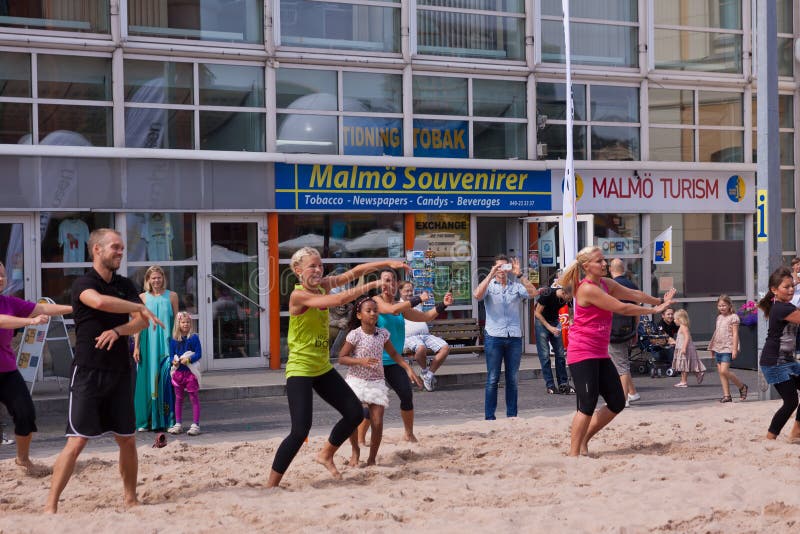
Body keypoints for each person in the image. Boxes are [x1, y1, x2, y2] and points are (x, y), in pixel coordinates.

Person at [45, 229, 164, 513]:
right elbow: (98, 302)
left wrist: (118, 329)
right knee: (77, 442)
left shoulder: (123, 283)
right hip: (88, 372)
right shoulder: (82, 283)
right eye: (115, 247)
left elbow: (141, 323)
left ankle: (130, 498)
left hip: (121, 372)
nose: (121, 252)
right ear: (97, 250)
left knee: (127, 439)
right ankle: (50, 506)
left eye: (122, 248)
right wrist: (138, 306)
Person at [266, 248, 406, 488]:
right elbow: (340, 300)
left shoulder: (324, 284)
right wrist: (372, 285)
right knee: (300, 431)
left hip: (321, 367)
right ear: (298, 271)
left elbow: (355, 271)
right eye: (312, 266)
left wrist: (387, 263)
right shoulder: (298, 296)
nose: (318, 270)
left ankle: (326, 455)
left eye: (320, 265)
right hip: (300, 369)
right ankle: (271, 485)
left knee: (354, 413)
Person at [558, 246, 674, 457]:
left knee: (617, 401)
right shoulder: (587, 289)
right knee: (587, 404)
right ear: (586, 266)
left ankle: (585, 439)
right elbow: (622, 308)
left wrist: (659, 302)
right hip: (582, 352)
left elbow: (632, 295)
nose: (604, 264)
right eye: (599, 261)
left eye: (604, 260)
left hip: (600, 352)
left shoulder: (605, 283)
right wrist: (652, 311)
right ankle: (573, 455)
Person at [0, 261, 72, 472]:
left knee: (25, 413)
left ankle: (22, 459)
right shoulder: (9, 311)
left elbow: (41, 308)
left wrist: (74, 307)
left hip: (7, 370)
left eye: (3, 275)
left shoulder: (9, 302)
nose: (1, 279)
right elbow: (2, 320)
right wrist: (29, 322)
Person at [338, 297, 421, 467]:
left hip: (376, 381)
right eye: (368, 311)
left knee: (377, 421)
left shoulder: (382, 333)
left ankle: (372, 459)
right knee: (353, 418)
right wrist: (360, 361)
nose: (373, 314)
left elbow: (394, 354)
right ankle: (355, 451)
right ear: (359, 315)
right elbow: (342, 358)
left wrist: (408, 368)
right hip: (357, 380)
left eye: (375, 311)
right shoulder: (355, 334)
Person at [374, 270, 452, 442]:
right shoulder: (376, 302)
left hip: (394, 361)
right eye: (386, 280)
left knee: (406, 395)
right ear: (379, 284)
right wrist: (417, 299)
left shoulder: (401, 307)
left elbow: (425, 316)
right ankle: (361, 440)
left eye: (394, 280)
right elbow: (392, 309)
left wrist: (443, 305)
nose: (391, 284)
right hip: (374, 362)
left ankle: (409, 434)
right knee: (374, 403)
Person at [473, 255, 539, 420]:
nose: (502, 271)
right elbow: (477, 295)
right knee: (493, 378)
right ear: (494, 269)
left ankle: (512, 415)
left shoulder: (515, 286)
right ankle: (490, 416)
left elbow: (533, 293)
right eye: (499, 267)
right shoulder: (489, 286)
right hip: (494, 336)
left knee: (512, 378)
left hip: (513, 337)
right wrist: (490, 274)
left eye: (505, 267)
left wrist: (520, 275)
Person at [133, 265, 179, 431]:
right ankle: (145, 421)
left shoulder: (172, 296)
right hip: (148, 344)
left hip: (166, 344)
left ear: (163, 278)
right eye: (153, 278)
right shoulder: (142, 298)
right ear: (148, 280)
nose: (156, 280)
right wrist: (136, 347)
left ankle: (168, 420)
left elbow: (177, 323)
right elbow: (138, 324)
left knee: (166, 380)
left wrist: (178, 344)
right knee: (147, 380)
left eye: (159, 277)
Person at [757, 267, 800, 441]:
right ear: (774, 290)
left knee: (791, 402)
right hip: (774, 362)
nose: (791, 289)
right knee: (791, 402)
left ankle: (796, 432)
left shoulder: (785, 305)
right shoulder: (781, 309)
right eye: (786, 287)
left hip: (787, 360)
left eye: (792, 286)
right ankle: (770, 437)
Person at [399, 280, 450, 392]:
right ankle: (424, 370)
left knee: (445, 347)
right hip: (409, 337)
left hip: (425, 335)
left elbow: (427, 316)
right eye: (406, 291)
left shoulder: (417, 303)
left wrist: (443, 304)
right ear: (400, 291)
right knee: (421, 348)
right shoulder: (399, 305)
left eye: (411, 290)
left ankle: (428, 375)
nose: (409, 293)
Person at [607, 258, 641, 406]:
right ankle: (632, 392)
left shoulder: (610, 286)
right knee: (621, 361)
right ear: (624, 270)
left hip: (613, 331)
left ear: (610, 269)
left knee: (620, 365)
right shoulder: (631, 285)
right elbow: (637, 310)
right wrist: (635, 330)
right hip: (628, 329)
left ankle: (624, 398)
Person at [167, 311, 202, 436]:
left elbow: (198, 354)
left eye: (188, 322)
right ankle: (178, 424)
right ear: (178, 323)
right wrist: (174, 362)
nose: (185, 324)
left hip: (190, 373)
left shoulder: (194, 338)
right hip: (178, 374)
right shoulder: (173, 340)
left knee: (194, 398)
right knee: (178, 399)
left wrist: (189, 359)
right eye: (183, 322)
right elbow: (171, 355)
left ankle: (196, 424)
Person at [533, 282, 573, 395]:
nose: (569, 301)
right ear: (564, 293)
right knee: (545, 356)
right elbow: (537, 313)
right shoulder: (548, 294)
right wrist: (549, 327)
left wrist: (571, 323)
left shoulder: (567, 297)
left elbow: (570, 313)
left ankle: (563, 384)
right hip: (542, 323)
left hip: (555, 321)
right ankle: (550, 385)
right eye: (568, 298)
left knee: (560, 354)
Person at [707, 294, 747, 403]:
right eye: (719, 306)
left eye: (724, 305)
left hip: (728, 347)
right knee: (721, 372)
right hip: (718, 347)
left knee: (725, 370)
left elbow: (735, 334)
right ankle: (727, 396)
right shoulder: (719, 317)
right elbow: (716, 333)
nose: (721, 308)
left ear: (729, 305)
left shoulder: (733, 318)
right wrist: (712, 347)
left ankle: (742, 386)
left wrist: (734, 349)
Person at [671, 309, 706, 387]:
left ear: (680, 319)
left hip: (685, 349)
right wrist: (676, 343)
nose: (674, 320)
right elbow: (682, 338)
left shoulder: (683, 327)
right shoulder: (682, 327)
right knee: (687, 364)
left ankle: (684, 381)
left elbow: (687, 338)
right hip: (683, 348)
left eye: (675, 319)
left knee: (683, 366)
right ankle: (698, 374)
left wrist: (683, 348)